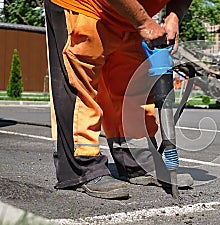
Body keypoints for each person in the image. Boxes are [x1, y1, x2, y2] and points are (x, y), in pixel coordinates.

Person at [44, 0, 193, 199]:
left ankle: (137, 161)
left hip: (129, 15)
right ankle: (83, 166)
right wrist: (144, 23)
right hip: (86, 6)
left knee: (132, 88)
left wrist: (173, 17)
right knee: (79, 84)